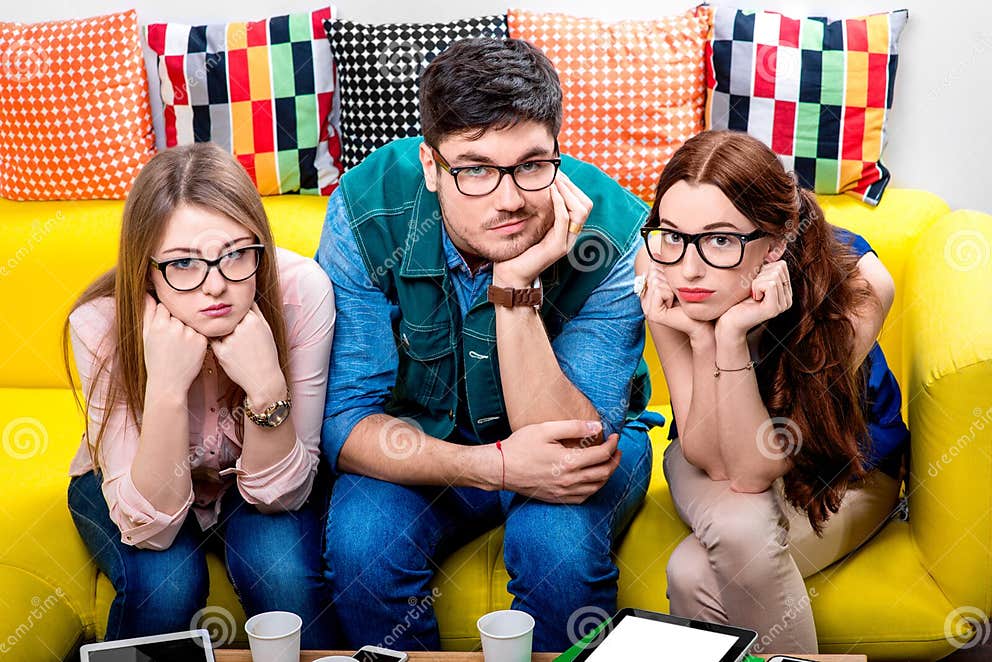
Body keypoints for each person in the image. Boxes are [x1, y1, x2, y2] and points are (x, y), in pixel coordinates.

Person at [316, 38, 662, 651]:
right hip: (425, 441)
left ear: (556, 151)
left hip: (582, 438)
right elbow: (346, 419)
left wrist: (516, 286)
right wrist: (494, 466)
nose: (509, 200)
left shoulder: (613, 232)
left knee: (557, 548)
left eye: (531, 165)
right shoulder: (365, 209)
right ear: (431, 166)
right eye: (475, 169)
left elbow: (575, 445)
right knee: (361, 543)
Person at [636, 129, 907, 653]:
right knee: (737, 531)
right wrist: (705, 340)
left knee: (692, 572)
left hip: (839, 470)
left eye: (720, 240)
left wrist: (731, 337)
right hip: (707, 454)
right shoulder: (660, 268)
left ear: (776, 243)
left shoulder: (857, 287)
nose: (689, 269)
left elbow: (756, 467)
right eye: (672, 234)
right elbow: (710, 457)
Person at [64, 143, 338, 646]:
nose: (215, 286)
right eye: (184, 263)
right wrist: (167, 389)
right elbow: (151, 529)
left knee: (282, 573)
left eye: (235, 254)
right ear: (146, 268)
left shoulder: (302, 292)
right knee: (167, 585)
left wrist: (265, 386)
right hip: (138, 485)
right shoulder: (99, 323)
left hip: (248, 480)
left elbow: (284, 494)